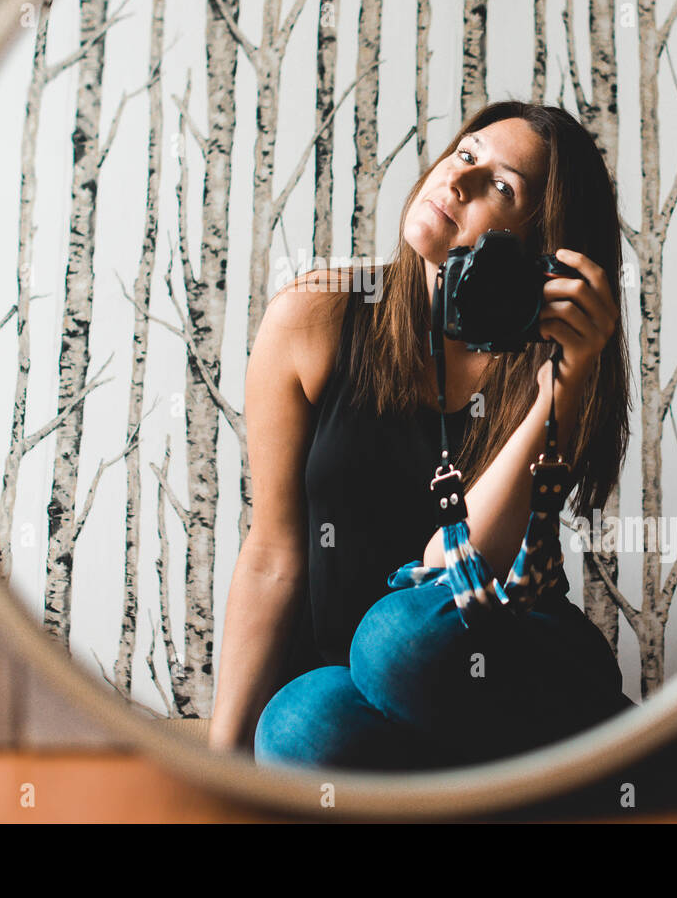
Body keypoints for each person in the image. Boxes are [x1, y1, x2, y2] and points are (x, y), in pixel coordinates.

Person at [207, 100, 634, 771]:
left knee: (397, 638)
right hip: (358, 692)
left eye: (500, 186)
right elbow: (273, 553)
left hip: (498, 661)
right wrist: (218, 769)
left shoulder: (551, 368)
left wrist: (563, 387)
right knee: (298, 725)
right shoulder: (314, 318)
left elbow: (467, 565)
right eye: (466, 154)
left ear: (540, 246)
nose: (457, 181)